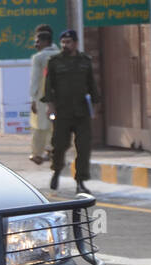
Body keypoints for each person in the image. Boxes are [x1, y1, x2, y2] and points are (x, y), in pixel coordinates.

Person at [42, 29, 99, 195]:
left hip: (82, 112)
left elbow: (92, 84)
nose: (65, 45)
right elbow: (48, 86)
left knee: (83, 147)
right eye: (63, 42)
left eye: (68, 42)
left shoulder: (85, 61)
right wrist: (50, 106)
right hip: (62, 112)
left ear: (75, 43)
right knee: (59, 145)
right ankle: (56, 171)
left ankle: (80, 181)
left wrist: (95, 105)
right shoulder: (54, 62)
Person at [27, 26, 59, 164]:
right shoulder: (61, 54)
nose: (36, 45)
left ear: (45, 42)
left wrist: (33, 99)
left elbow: (35, 80)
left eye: (37, 42)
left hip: (42, 97)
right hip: (60, 97)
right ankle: (52, 150)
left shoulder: (39, 58)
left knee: (40, 126)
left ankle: (37, 154)